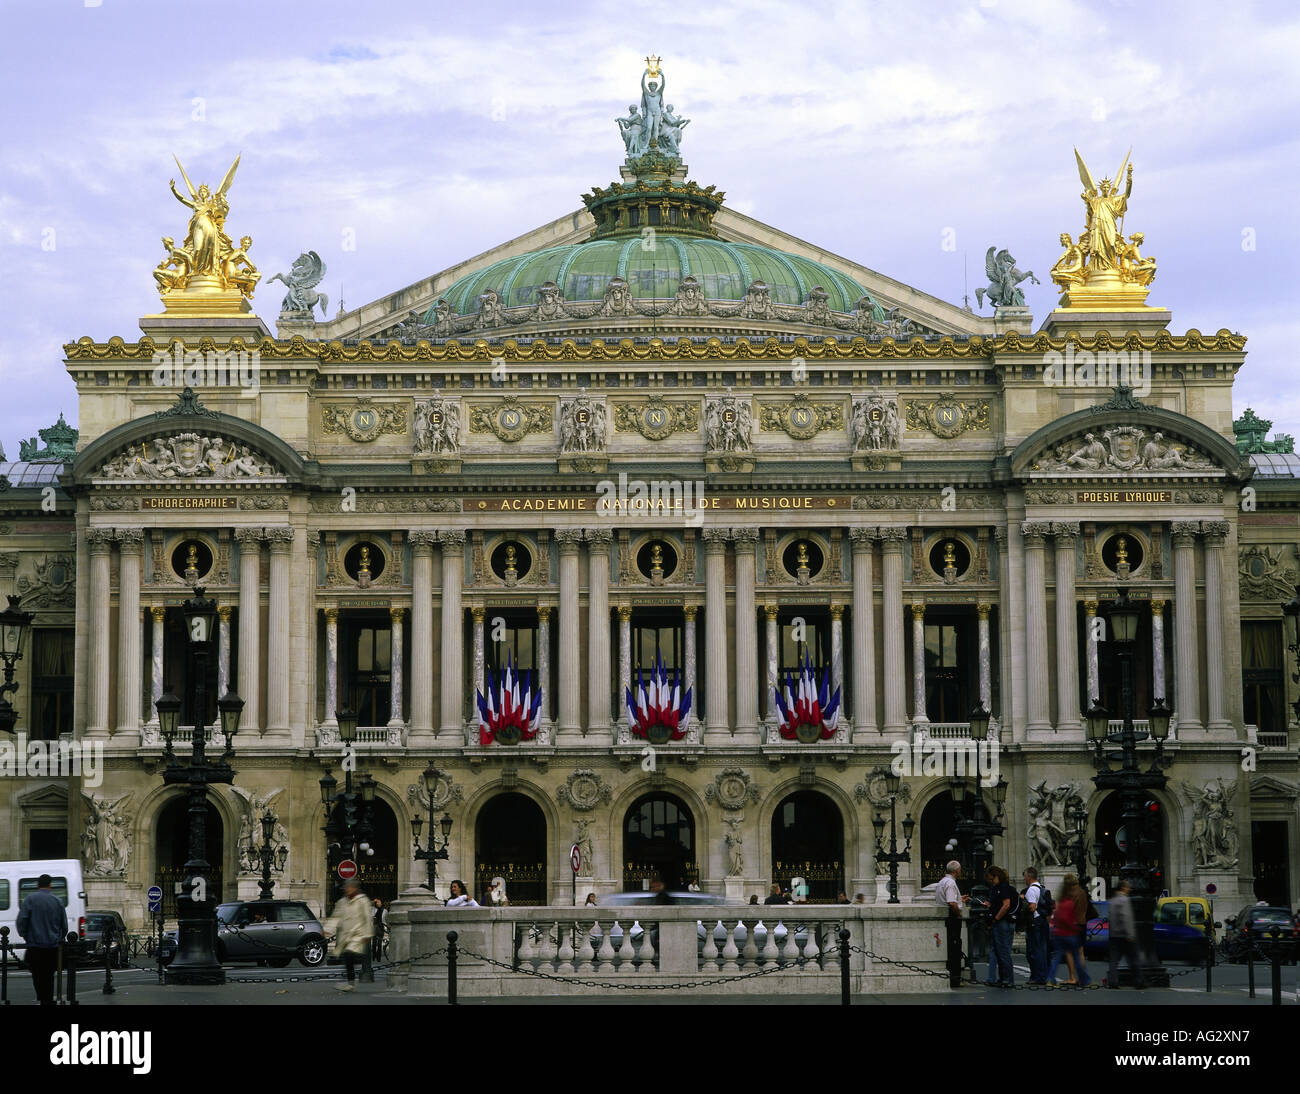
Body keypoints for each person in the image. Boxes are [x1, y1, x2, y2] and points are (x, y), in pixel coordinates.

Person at [15, 874, 65, 1005]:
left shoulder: (30, 899)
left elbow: (22, 921)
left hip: (35, 946)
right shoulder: (57, 901)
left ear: (38, 885)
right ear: (50, 885)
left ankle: (42, 997)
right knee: (49, 976)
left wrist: (25, 935)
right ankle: (47, 999)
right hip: (52, 946)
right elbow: (63, 925)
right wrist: (59, 936)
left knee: (37, 975)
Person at [325, 878, 374, 992]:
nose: (347, 889)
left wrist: (367, 934)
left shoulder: (363, 901)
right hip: (346, 935)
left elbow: (367, 918)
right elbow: (336, 917)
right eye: (346, 887)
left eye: (350, 887)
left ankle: (353, 980)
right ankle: (351, 982)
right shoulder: (342, 902)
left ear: (355, 888)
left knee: (349, 955)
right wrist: (327, 929)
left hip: (358, 934)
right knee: (348, 958)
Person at [1046, 879, 1090, 986]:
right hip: (1069, 934)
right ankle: (1084, 980)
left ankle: (1050, 978)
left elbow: (1057, 917)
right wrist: (1075, 928)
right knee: (1077, 958)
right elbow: (1066, 919)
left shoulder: (1060, 903)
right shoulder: (1069, 903)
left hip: (1059, 934)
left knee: (1056, 959)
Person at [936, 860, 970, 988]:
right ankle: (955, 979)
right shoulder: (950, 883)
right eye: (960, 869)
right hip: (952, 918)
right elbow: (951, 902)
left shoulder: (942, 882)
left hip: (945, 917)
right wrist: (959, 912)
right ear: (957, 871)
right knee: (955, 948)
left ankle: (953, 977)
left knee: (951, 946)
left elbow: (949, 900)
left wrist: (960, 900)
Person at [983, 866, 1018, 987]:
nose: (991, 882)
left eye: (992, 879)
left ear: (996, 876)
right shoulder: (1006, 888)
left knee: (1003, 952)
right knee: (1001, 951)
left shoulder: (1002, 888)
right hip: (1007, 922)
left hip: (1002, 922)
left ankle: (1008, 979)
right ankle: (1004, 978)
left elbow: (1006, 905)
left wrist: (996, 918)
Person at [1106, 880, 1145, 988]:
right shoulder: (1125, 900)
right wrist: (1130, 934)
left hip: (1114, 935)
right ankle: (1138, 981)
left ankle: (1113, 981)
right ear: (1123, 888)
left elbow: (1110, 918)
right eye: (1128, 887)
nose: (1130, 889)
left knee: (1114, 960)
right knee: (1133, 958)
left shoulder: (1112, 901)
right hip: (1125, 935)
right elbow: (1126, 917)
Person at [1022, 867, 1049, 984]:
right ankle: (1042, 975)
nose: (1024, 879)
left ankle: (1037, 976)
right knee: (1041, 949)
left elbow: (1032, 907)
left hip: (1035, 922)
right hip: (1042, 921)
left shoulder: (1031, 890)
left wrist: (1022, 902)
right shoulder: (1041, 887)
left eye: (1025, 876)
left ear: (1029, 876)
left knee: (1033, 950)